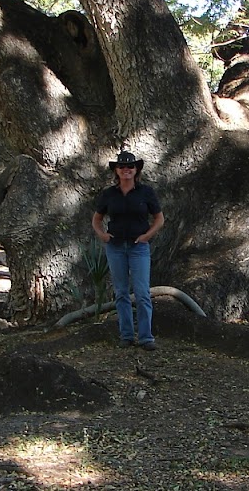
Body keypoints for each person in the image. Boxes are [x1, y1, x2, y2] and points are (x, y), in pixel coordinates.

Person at [92, 150, 165, 350]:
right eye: (122, 166)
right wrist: (102, 235)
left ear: (136, 170)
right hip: (115, 247)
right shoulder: (109, 194)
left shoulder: (145, 192)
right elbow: (97, 218)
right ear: (116, 170)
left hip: (138, 247)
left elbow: (159, 218)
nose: (126, 170)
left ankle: (146, 337)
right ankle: (126, 335)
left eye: (130, 166)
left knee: (142, 292)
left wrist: (147, 236)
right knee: (121, 292)